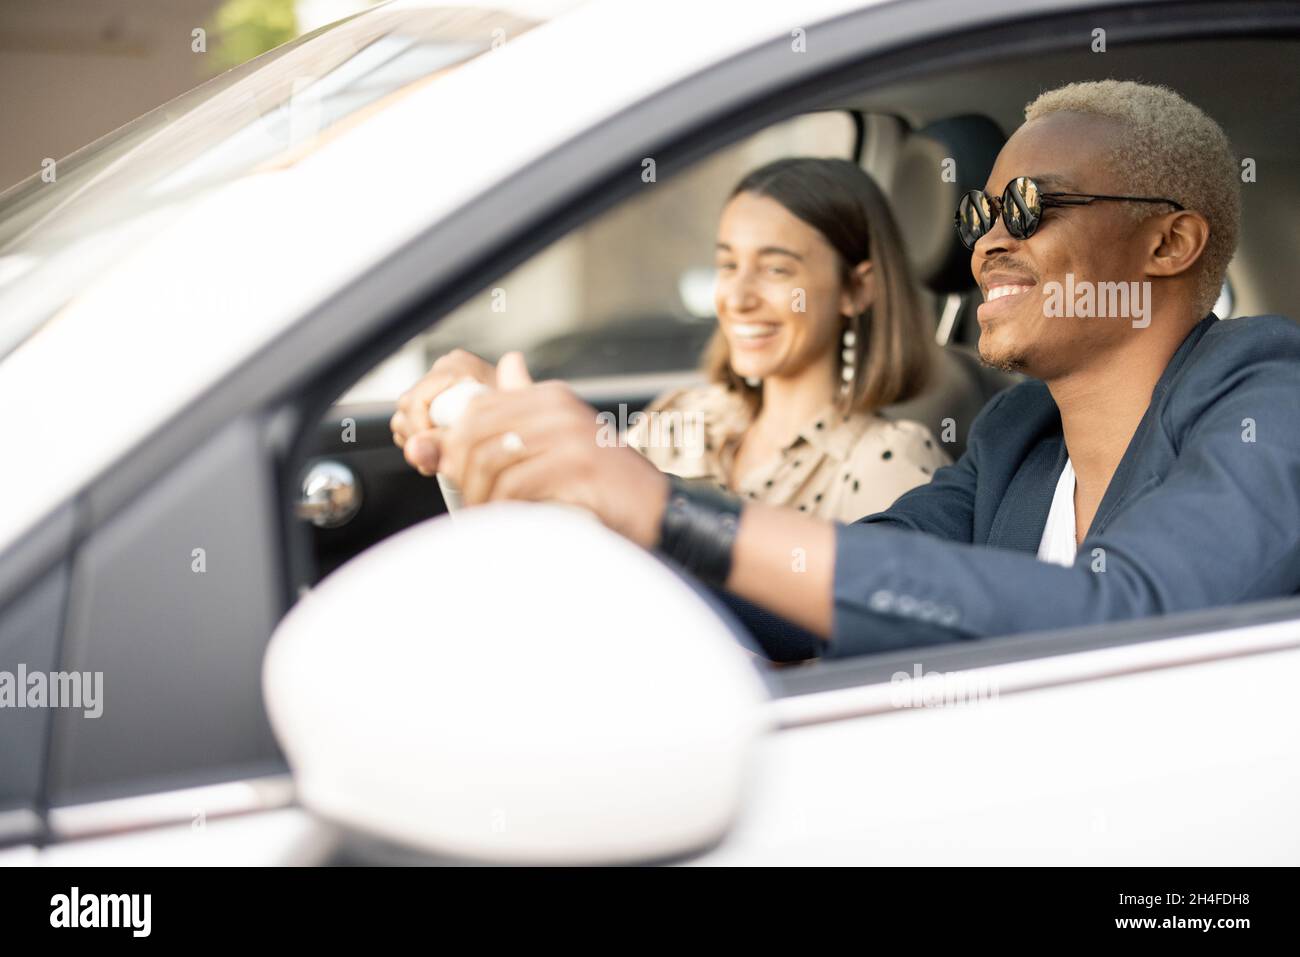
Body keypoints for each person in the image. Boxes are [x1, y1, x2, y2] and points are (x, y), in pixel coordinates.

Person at [391, 79, 1300, 661]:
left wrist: (660, 504)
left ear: (1169, 240)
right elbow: (837, 580)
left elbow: (1135, 617)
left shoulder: (1270, 397)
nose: (986, 242)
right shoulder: (1013, 438)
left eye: (1026, 206)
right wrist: (570, 490)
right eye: (983, 209)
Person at [624, 157, 948, 521]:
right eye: (729, 266)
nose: (737, 299)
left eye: (776, 269)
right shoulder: (683, 417)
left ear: (856, 289)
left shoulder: (883, 462)